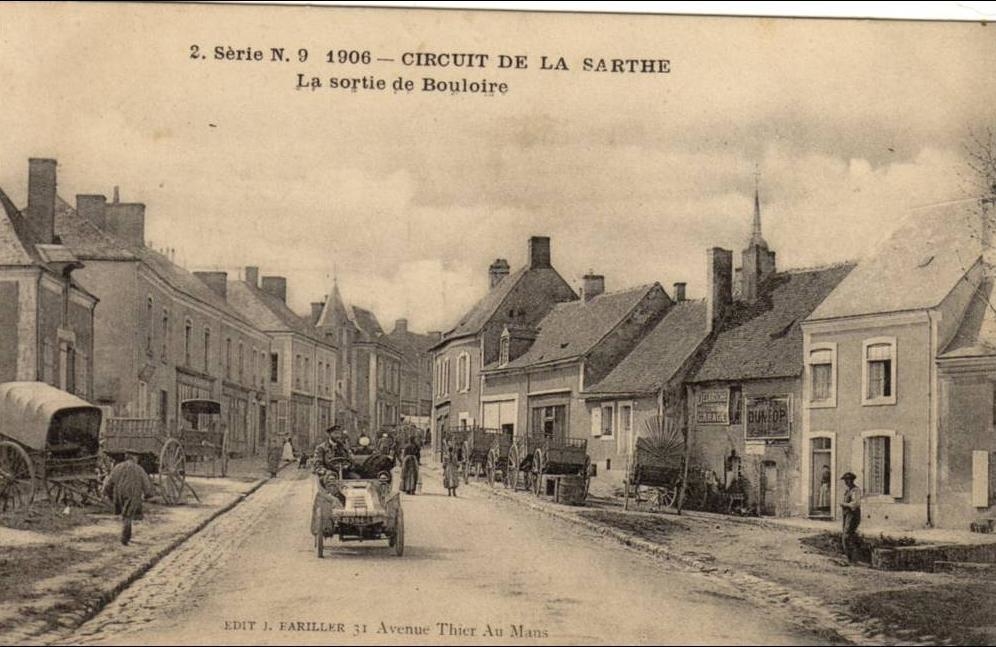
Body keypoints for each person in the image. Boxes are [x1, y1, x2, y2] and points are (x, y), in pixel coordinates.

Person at [102, 451, 155, 546]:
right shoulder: (139, 469)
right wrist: (148, 494)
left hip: (119, 494)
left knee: (125, 513)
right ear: (134, 458)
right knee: (128, 515)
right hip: (132, 493)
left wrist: (107, 493)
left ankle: (127, 536)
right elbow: (146, 484)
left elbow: (109, 482)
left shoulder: (117, 467)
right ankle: (124, 538)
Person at [313, 425, 356, 492]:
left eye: (339, 433)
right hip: (327, 474)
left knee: (357, 478)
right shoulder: (321, 448)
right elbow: (317, 466)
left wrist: (348, 466)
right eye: (335, 433)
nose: (338, 436)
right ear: (330, 434)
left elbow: (351, 460)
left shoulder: (344, 447)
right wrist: (327, 472)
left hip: (344, 472)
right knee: (331, 481)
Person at [840, 472, 862, 562]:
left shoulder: (855, 490)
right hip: (847, 514)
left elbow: (855, 503)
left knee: (847, 535)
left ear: (851, 480)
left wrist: (844, 504)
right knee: (847, 535)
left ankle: (852, 558)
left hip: (853, 514)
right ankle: (850, 557)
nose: (846, 482)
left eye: (847, 480)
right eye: (845, 480)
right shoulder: (848, 490)